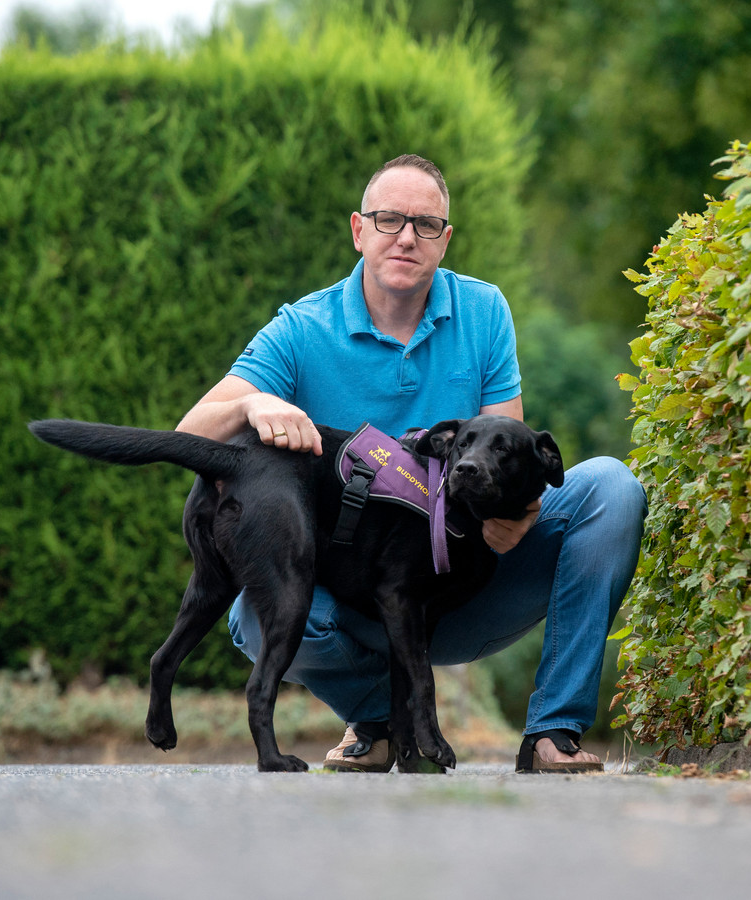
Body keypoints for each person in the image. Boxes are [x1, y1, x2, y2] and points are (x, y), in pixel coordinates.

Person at [175, 153, 647, 773]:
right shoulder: (301, 328)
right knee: (256, 622)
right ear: (358, 229)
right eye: (389, 219)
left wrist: (520, 515)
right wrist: (256, 402)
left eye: (425, 225)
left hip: (473, 578)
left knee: (611, 486)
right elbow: (191, 431)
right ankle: (381, 721)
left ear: (445, 241)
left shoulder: (483, 311)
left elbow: (511, 448)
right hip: (366, 601)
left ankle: (552, 732)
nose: (405, 237)